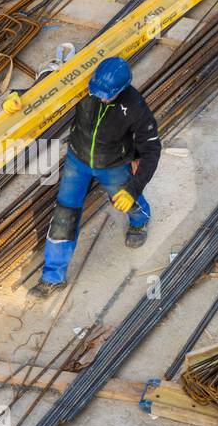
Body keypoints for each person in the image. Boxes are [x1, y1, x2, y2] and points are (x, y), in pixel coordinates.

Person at [29, 56, 161, 298]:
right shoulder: (86, 87)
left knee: (125, 200)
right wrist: (21, 96)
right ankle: (52, 276)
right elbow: (50, 87)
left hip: (112, 165)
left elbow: (152, 149)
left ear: (121, 90)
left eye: (106, 95)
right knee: (64, 215)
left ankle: (140, 220)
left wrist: (133, 187)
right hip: (77, 159)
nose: (100, 97)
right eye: (96, 91)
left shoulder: (134, 107)